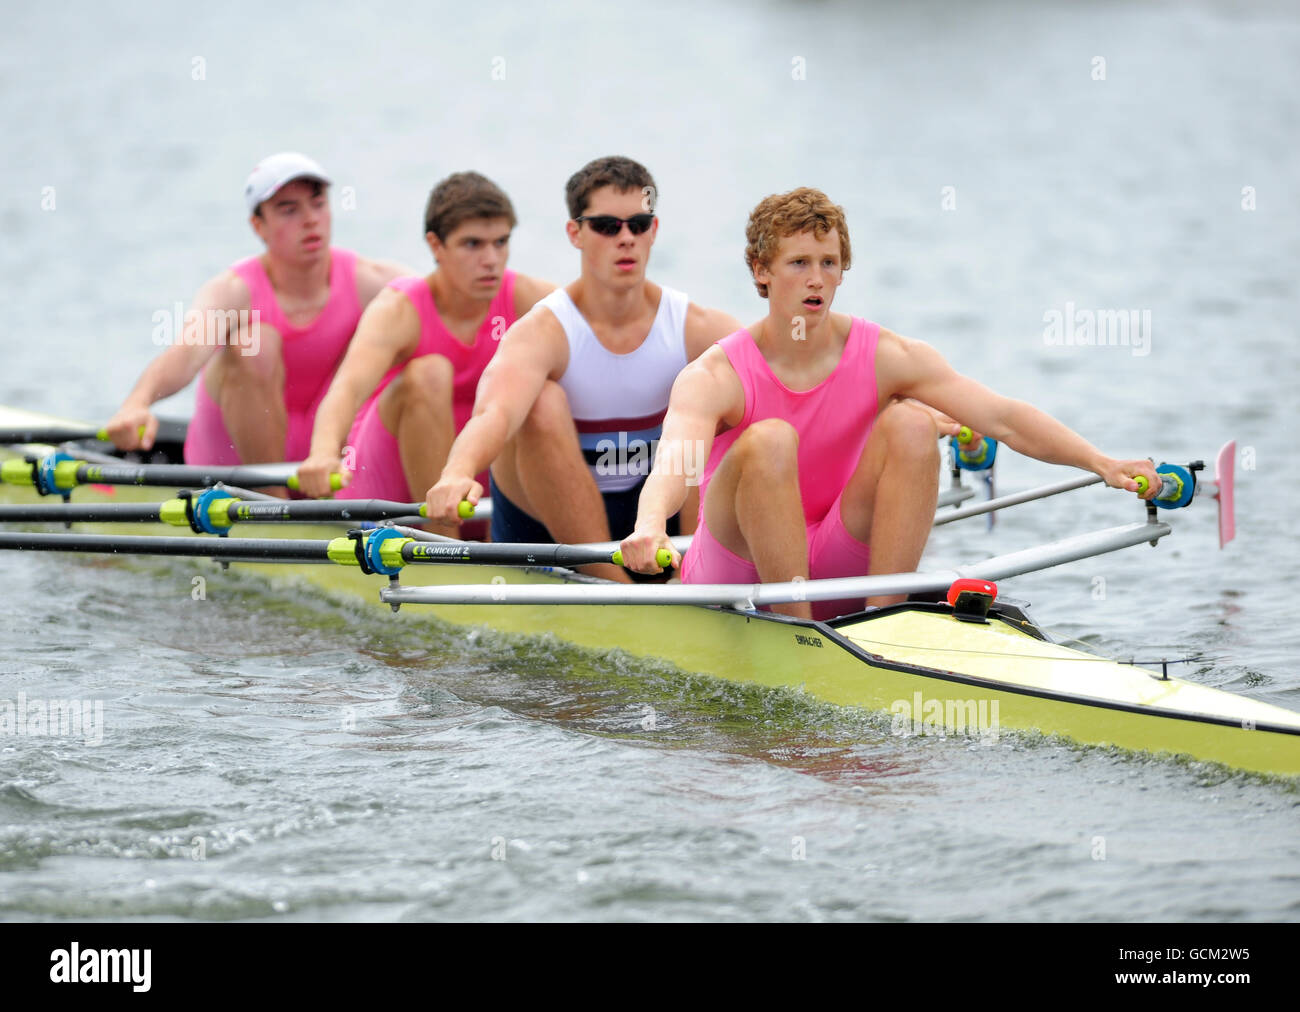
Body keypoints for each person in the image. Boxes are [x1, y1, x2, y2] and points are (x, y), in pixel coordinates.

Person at [619, 187, 1162, 619]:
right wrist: (649, 524)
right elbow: (677, 462)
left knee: (909, 424)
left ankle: (887, 622)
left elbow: (1002, 418)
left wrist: (1101, 463)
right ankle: (801, 634)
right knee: (771, 438)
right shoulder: (714, 374)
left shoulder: (888, 355)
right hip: (740, 570)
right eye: (799, 263)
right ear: (761, 271)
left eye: (830, 263)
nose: (817, 280)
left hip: (839, 559)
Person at [424, 155, 740, 579]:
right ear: (575, 233)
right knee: (541, 403)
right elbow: (493, 413)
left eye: (638, 225)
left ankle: (694, 579)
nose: (625, 238)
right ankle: (617, 590)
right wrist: (456, 473)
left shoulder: (696, 326)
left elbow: (776, 380)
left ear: (654, 231)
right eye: (607, 226)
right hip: (544, 530)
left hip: (652, 518)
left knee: (718, 392)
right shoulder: (544, 330)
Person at [105, 152, 410, 474]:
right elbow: (186, 353)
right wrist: (136, 404)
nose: (310, 219)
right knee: (255, 343)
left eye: (318, 204)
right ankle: (271, 497)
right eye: (289, 210)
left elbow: (443, 302)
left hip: (326, 461)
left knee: (403, 341)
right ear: (258, 226)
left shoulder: (371, 280)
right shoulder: (234, 291)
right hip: (233, 469)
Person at [294, 173, 553, 535]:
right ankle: (445, 554)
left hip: (479, 496)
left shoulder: (527, 297)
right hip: (389, 499)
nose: (491, 259)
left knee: (548, 390)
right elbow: (346, 390)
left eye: (501, 242)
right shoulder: (400, 310)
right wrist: (323, 453)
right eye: (473, 244)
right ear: (436, 245)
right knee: (431, 372)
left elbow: (610, 324)